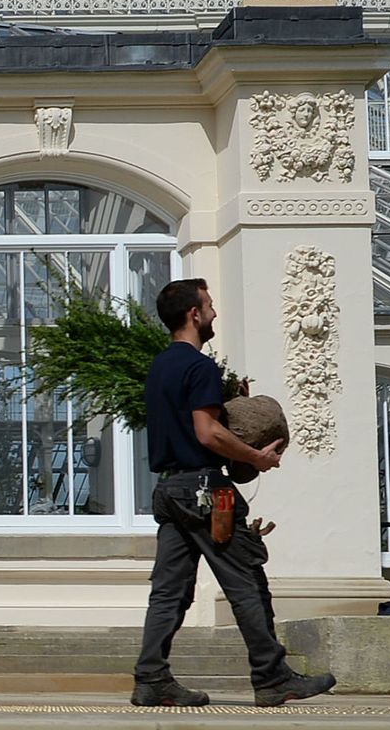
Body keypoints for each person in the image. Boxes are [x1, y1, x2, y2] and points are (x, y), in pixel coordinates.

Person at [132, 278, 337, 708]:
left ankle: (151, 678)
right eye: (208, 305)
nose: (213, 313)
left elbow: (189, 422)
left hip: (170, 491)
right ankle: (272, 676)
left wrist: (228, 405)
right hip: (207, 490)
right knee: (246, 580)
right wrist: (255, 457)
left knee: (169, 590)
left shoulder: (160, 366)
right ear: (193, 314)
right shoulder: (199, 366)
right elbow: (207, 433)